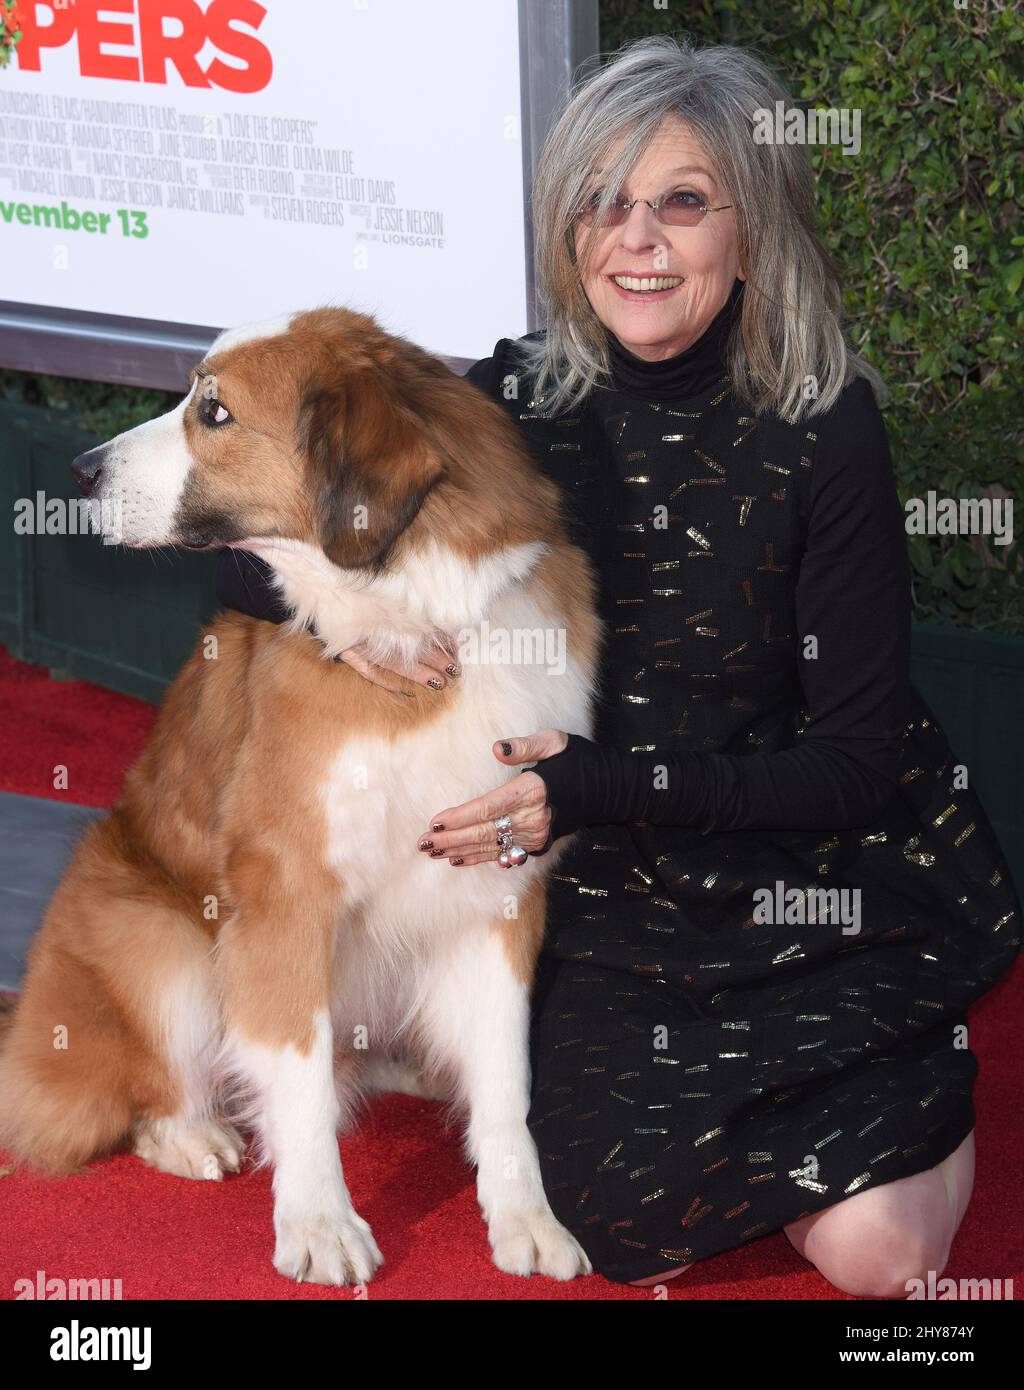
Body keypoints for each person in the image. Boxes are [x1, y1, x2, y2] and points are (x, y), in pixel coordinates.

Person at [215, 35, 1020, 1294]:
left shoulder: (826, 427)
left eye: (682, 202)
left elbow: (858, 765)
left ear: (753, 226)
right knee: (615, 1219)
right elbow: (268, 520)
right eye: (603, 200)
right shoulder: (516, 397)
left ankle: (917, 1054)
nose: (634, 238)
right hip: (604, 899)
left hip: (792, 863)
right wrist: (345, 624)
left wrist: (599, 785)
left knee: (878, 1256)